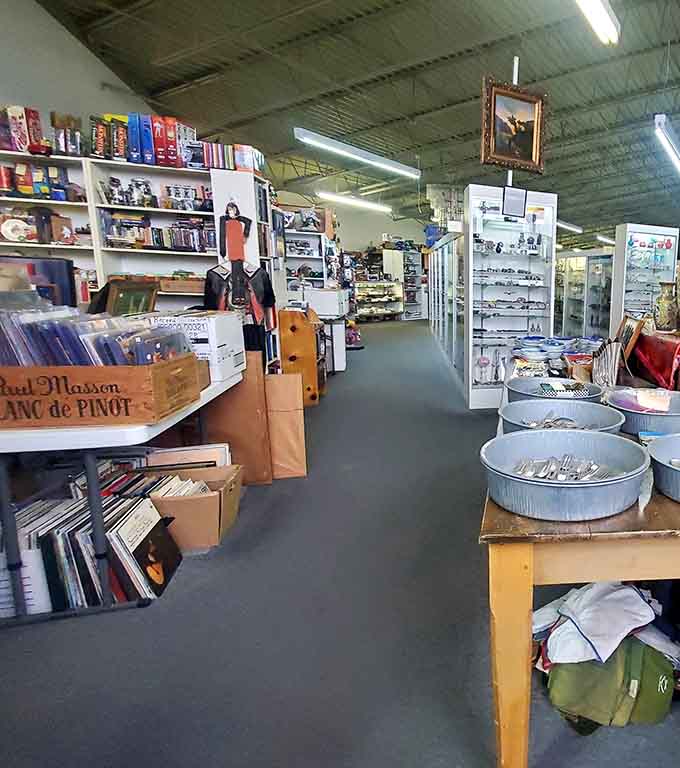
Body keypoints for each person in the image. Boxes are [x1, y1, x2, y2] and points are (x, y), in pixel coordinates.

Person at [219, 201, 252, 306]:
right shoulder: (224, 221)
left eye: (233, 209)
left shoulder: (240, 220)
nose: (231, 212)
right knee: (234, 275)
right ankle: (235, 297)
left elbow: (248, 221)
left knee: (240, 275)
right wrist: (223, 252)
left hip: (239, 248)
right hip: (231, 249)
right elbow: (222, 236)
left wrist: (245, 235)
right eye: (229, 210)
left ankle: (241, 296)